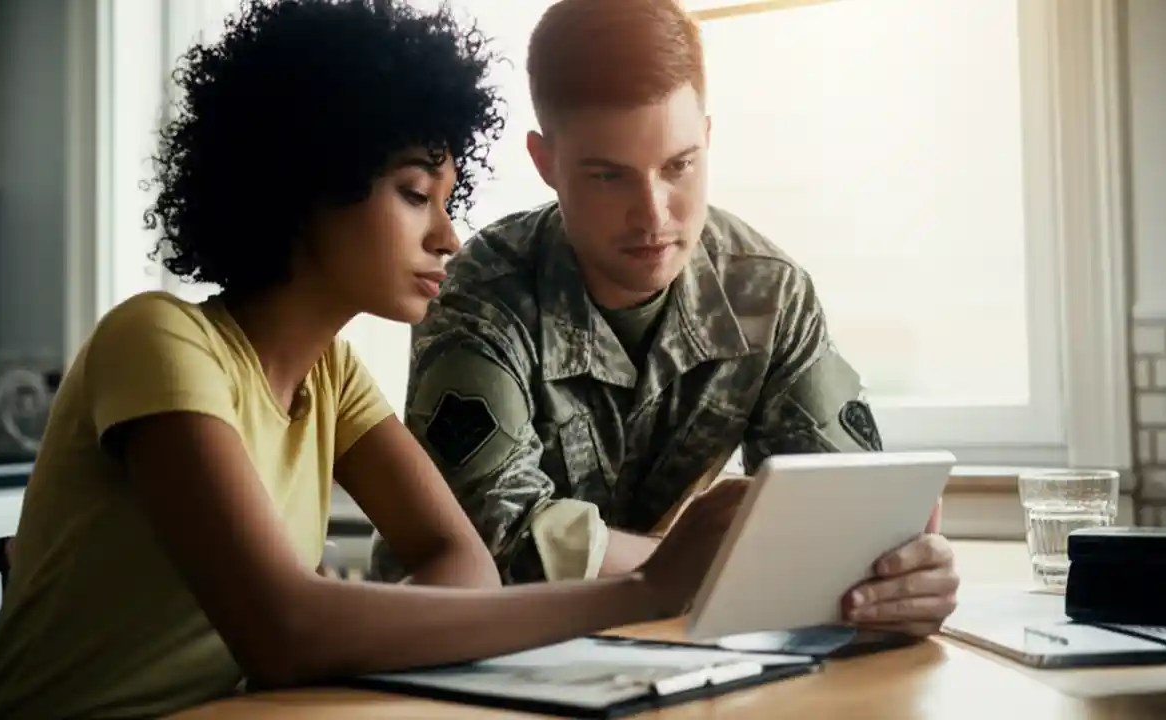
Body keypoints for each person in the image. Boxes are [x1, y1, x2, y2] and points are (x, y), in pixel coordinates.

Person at [0, 2, 749, 717]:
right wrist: (643, 589)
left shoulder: (331, 377)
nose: (449, 237)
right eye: (414, 194)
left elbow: (463, 563)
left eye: (448, 199)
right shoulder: (158, 340)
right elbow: (285, 632)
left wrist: (349, 623)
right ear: (310, 184)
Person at [370, 0, 959, 638]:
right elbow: (499, 540)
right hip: (456, 657)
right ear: (546, 163)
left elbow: (851, 515)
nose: (653, 215)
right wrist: (710, 573)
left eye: (679, 166)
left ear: (707, 137)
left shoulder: (767, 295)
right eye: (608, 177)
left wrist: (900, 575)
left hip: (666, 646)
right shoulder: (476, 297)